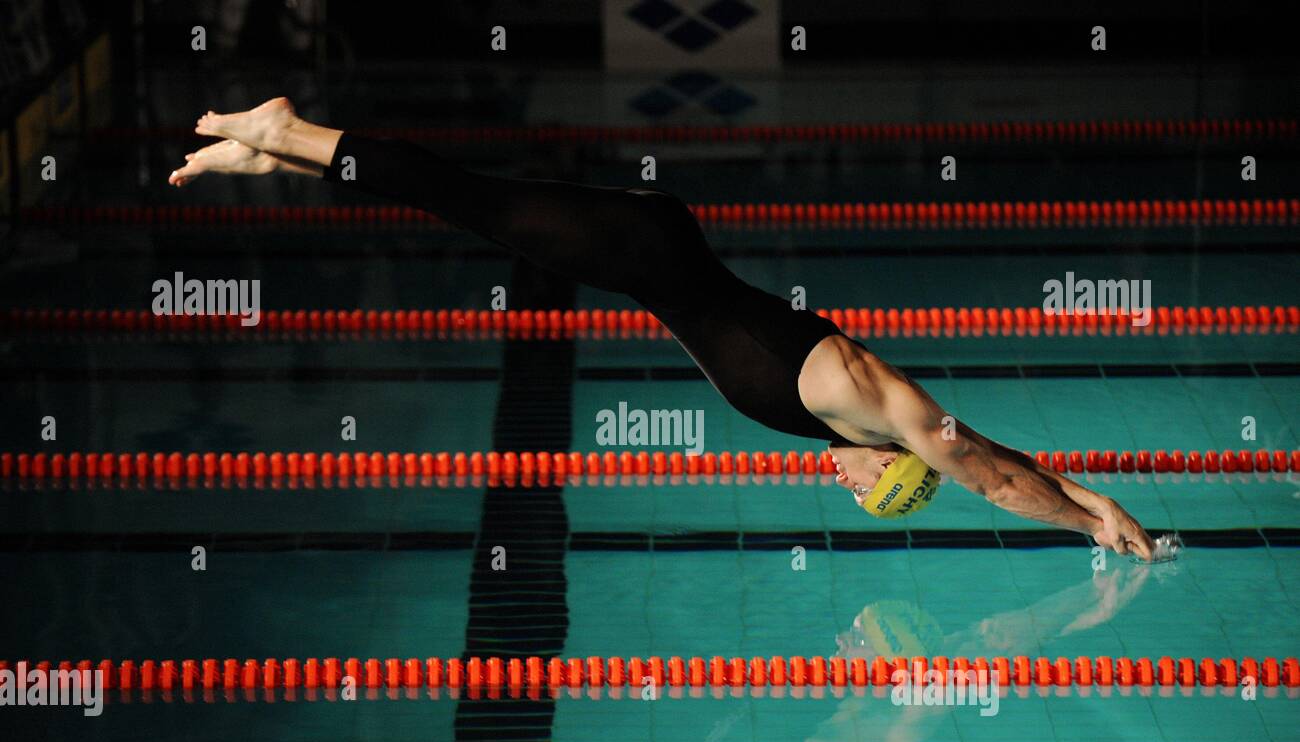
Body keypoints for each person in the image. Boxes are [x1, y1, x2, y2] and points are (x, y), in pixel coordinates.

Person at [170, 97, 1156, 560]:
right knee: (470, 199)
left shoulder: (859, 421)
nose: (848, 490)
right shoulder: (864, 396)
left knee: (468, 207)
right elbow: (981, 473)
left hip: (648, 253)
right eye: (875, 494)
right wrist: (1075, 523)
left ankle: (279, 157)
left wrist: (1088, 497)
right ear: (887, 464)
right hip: (641, 250)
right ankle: (288, 132)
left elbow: (983, 454)